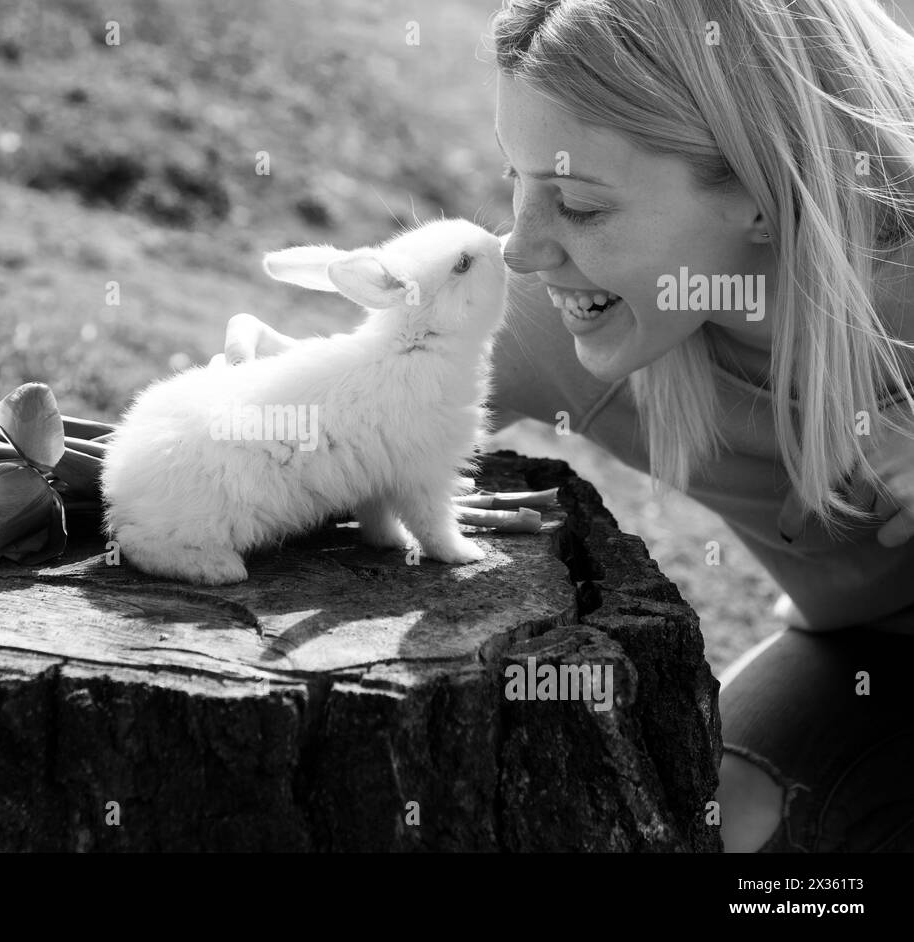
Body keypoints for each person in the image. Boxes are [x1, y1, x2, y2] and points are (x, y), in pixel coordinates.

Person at [213, 0, 914, 852]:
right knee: (721, 819)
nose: (522, 247)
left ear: (763, 197)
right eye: (518, 181)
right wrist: (259, 400)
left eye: (580, 206)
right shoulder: (564, 309)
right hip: (863, 652)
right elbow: (352, 415)